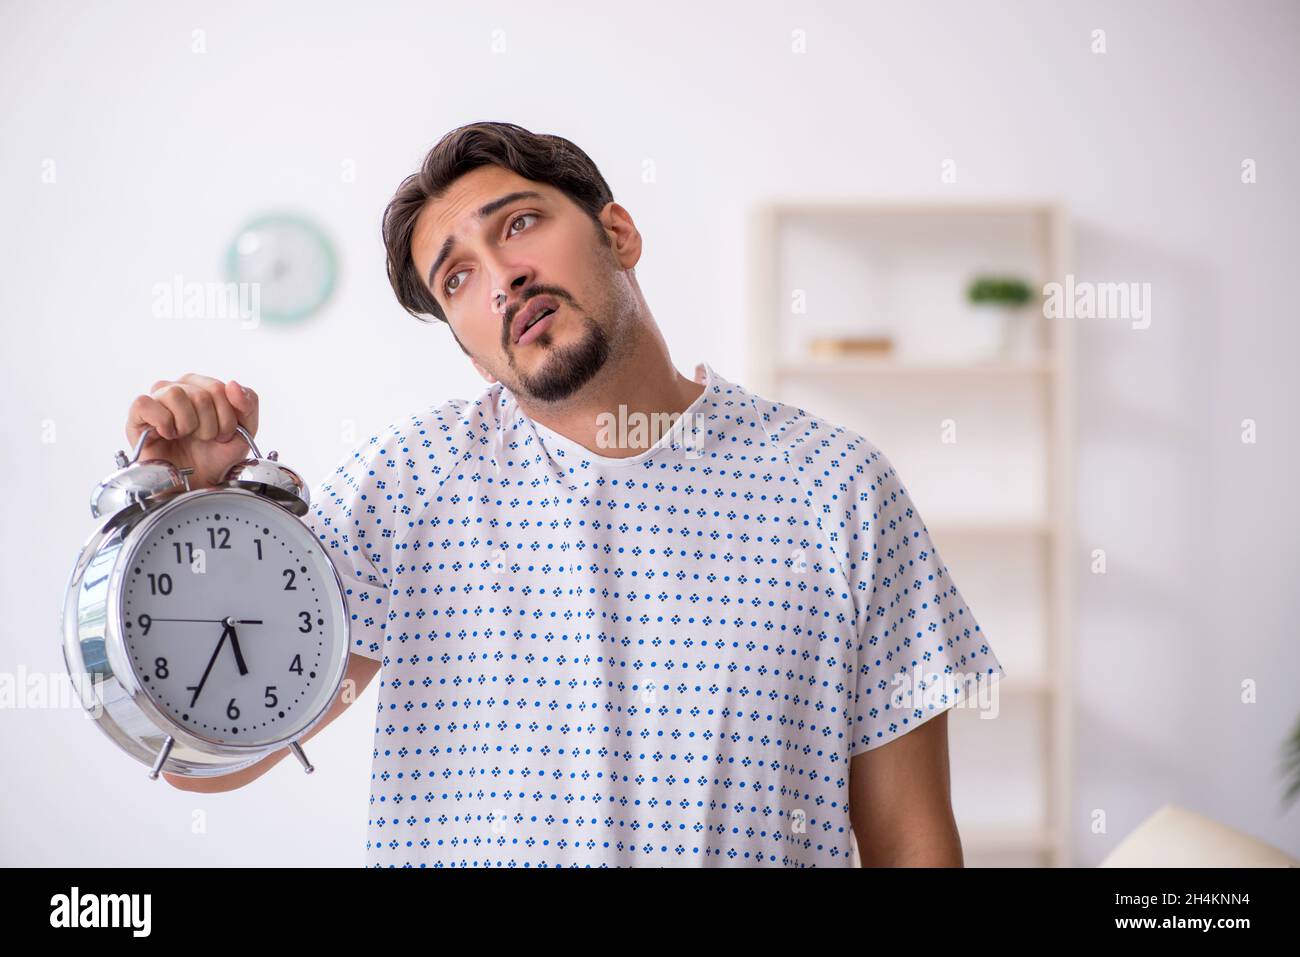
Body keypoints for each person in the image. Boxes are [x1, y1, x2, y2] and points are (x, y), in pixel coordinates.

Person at [124, 121, 1006, 868]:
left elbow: (911, 837)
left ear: (618, 234)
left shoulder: (837, 486)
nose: (501, 277)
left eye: (518, 224)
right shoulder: (410, 482)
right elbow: (208, 762)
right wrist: (196, 527)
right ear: (469, 349)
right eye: (457, 276)